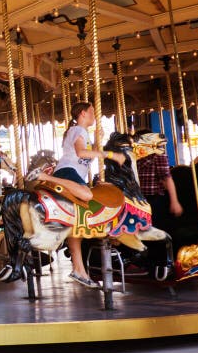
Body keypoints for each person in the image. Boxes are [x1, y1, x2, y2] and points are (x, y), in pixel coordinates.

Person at [28, 101, 126, 289]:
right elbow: (81, 152)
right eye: (91, 112)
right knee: (87, 195)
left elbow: (86, 154)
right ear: (82, 113)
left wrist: (99, 142)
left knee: (76, 224)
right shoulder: (77, 131)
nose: (94, 116)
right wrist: (110, 155)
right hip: (67, 172)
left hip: (74, 174)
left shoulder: (82, 133)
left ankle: (78, 269)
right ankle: (44, 176)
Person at [135, 129, 182, 232]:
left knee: (155, 227)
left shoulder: (158, 156)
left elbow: (167, 178)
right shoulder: (135, 157)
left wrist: (174, 201)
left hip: (154, 199)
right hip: (138, 199)